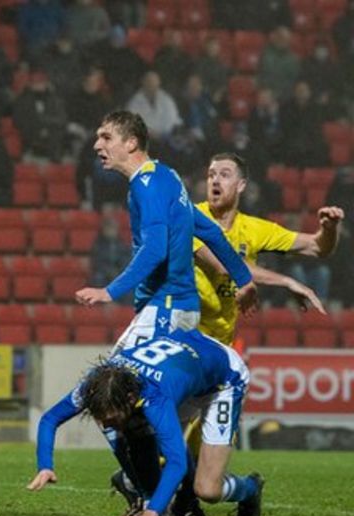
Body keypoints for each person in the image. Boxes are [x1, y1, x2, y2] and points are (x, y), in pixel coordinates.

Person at [29, 329, 264, 516]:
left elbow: (177, 462)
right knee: (134, 429)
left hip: (222, 378)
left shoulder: (154, 399)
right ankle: (164, 504)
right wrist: (45, 466)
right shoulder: (94, 387)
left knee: (208, 489)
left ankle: (251, 489)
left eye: (111, 418)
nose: (106, 425)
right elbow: (49, 419)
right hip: (185, 369)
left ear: (132, 399)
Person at [75, 111, 257, 352]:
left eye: (106, 138)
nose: (97, 145)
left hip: (166, 307)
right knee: (129, 385)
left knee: (114, 384)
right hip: (177, 307)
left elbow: (155, 249)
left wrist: (110, 292)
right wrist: (243, 279)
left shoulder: (147, 187)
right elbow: (209, 230)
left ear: (131, 143)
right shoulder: (165, 176)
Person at [193, 152, 344, 346]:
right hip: (182, 336)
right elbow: (224, 264)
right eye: (211, 174)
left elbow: (318, 248)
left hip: (219, 346)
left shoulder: (254, 229)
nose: (215, 180)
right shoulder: (193, 218)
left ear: (241, 185)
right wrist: (286, 281)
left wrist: (329, 230)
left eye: (224, 174)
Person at [11, 72, 68, 162]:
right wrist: (36, 124)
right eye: (36, 83)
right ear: (30, 84)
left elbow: (62, 120)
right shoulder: (22, 100)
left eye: (41, 83)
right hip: (30, 137)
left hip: (52, 138)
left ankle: (55, 161)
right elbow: (18, 121)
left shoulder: (55, 100)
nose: (39, 86)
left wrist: (45, 122)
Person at [125, 71, 182, 145]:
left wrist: (166, 134)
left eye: (154, 82)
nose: (151, 85)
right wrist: (150, 133)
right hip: (145, 141)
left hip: (167, 137)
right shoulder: (134, 102)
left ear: (158, 83)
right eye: (149, 82)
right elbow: (132, 125)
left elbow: (173, 119)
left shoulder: (166, 99)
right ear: (143, 83)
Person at [257, 26, 299, 102]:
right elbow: (261, 76)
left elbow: (294, 80)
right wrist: (266, 91)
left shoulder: (293, 59)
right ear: (276, 38)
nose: (284, 42)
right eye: (281, 38)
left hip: (287, 97)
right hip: (268, 95)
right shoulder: (266, 55)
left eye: (286, 39)